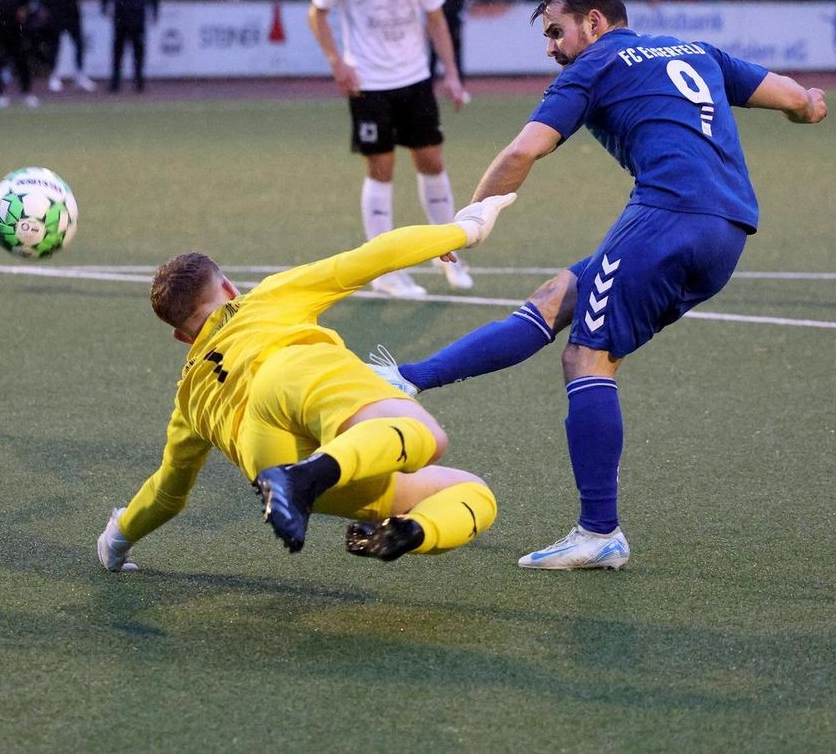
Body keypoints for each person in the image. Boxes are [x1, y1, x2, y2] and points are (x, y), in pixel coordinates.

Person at [368, 0, 827, 570]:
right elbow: (795, 98)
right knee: (556, 298)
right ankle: (408, 379)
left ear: (595, 23)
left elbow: (521, 152)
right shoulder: (695, 51)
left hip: (666, 219)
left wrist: (465, 225)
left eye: (557, 32)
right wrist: (812, 106)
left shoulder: (594, 66)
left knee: (587, 358)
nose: (551, 48)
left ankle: (599, 531)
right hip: (727, 228)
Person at [95, 195, 519, 572]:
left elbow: (168, 492)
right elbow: (373, 256)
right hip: (289, 376)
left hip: (269, 461)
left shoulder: (188, 402)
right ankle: (307, 478)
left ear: (182, 337)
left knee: (469, 488)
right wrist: (466, 229)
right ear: (228, 287)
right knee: (429, 439)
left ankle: (405, 532)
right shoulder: (266, 296)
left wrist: (117, 538)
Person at [308, 0, 471, 299]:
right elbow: (317, 13)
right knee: (381, 170)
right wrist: (337, 62)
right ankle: (383, 270)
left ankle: (447, 251)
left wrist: (451, 73)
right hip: (368, 83)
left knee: (431, 160)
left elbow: (436, 20)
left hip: (414, 79)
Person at [101, 0, 158, 93]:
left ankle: (139, 83)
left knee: (138, 53)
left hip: (137, 20)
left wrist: (155, 13)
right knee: (117, 53)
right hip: (120, 19)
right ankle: (115, 83)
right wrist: (104, 8)